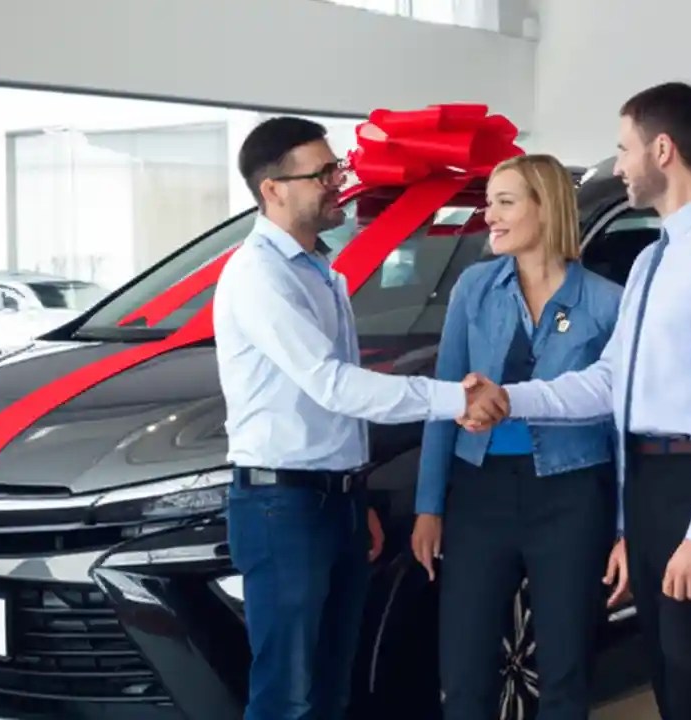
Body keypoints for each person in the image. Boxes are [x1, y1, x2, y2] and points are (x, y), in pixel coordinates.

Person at [460, 82, 691, 720]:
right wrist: (511, 398)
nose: (617, 166)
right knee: (670, 678)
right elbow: (610, 382)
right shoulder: (650, 262)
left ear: (662, 149)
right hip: (650, 484)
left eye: (623, 148)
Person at [212, 116, 501, 720]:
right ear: (274, 190)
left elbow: (328, 410)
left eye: (335, 168)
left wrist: (355, 493)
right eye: (322, 173)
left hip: (331, 501)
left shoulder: (322, 271)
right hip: (281, 509)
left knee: (330, 688)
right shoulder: (260, 275)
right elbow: (334, 385)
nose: (338, 182)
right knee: (286, 695)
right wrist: (455, 398)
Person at [410, 154, 623, 720]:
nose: (491, 217)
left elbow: (621, 423)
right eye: (489, 203)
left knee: (565, 669)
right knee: (465, 669)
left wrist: (624, 527)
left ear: (545, 207)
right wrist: (429, 506)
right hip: (480, 492)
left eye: (505, 202)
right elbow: (444, 397)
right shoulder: (475, 289)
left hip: (572, 493)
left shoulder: (606, 303)